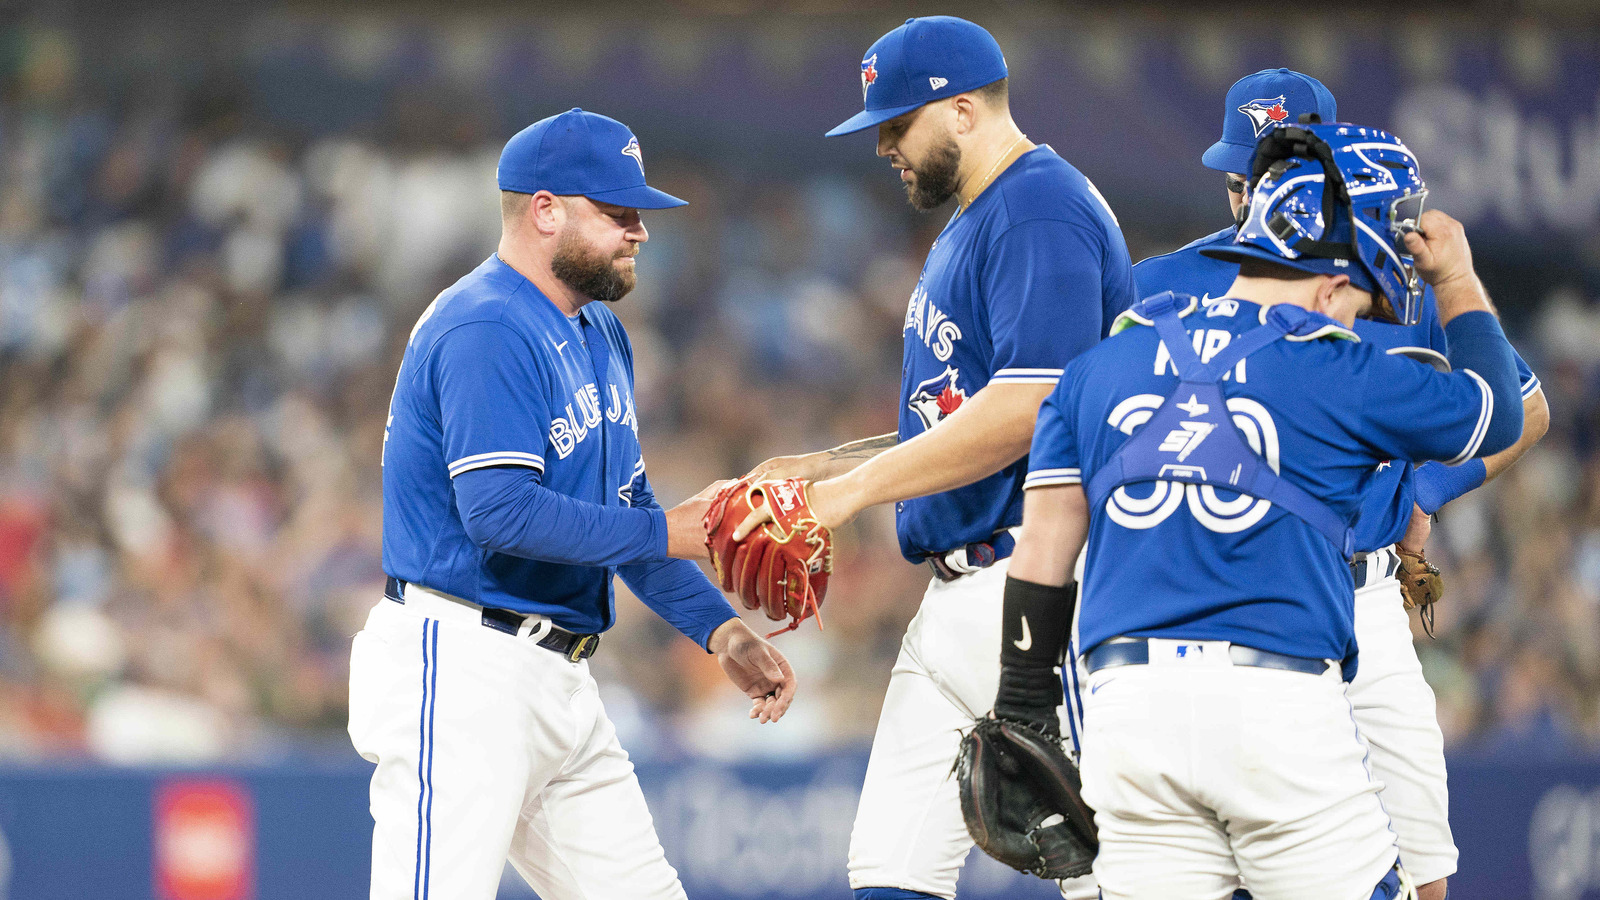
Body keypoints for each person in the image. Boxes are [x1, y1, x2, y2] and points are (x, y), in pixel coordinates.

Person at [993, 120, 1524, 898]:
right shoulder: (1338, 368)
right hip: (1276, 711)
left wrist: (1021, 706)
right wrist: (1456, 277)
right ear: (1334, 281)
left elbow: (1041, 553)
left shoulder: (1099, 365)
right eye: (1362, 302)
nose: (1358, 320)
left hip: (1126, 715)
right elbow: (1497, 413)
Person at [348, 108, 797, 900]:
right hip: (462, 664)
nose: (640, 231)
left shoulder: (598, 330)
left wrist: (718, 629)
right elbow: (501, 515)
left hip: (558, 678)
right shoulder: (485, 323)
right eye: (617, 213)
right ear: (545, 210)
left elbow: (622, 512)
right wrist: (674, 530)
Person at [736, 16, 1134, 900]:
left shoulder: (1040, 207)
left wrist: (848, 496)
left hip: (1040, 581)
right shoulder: (975, 219)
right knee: (889, 873)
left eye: (897, 123)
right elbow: (964, 416)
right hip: (959, 597)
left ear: (961, 111)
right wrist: (827, 466)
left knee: (1110, 873)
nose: (881, 143)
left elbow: (1035, 406)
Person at [1132, 69, 1549, 900]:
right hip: (1231, 607)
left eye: (1270, 168)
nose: (1247, 191)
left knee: (1422, 867)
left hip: (1362, 592)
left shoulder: (1399, 274)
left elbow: (1523, 413)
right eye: (1240, 173)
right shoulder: (1159, 284)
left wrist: (1425, 492)